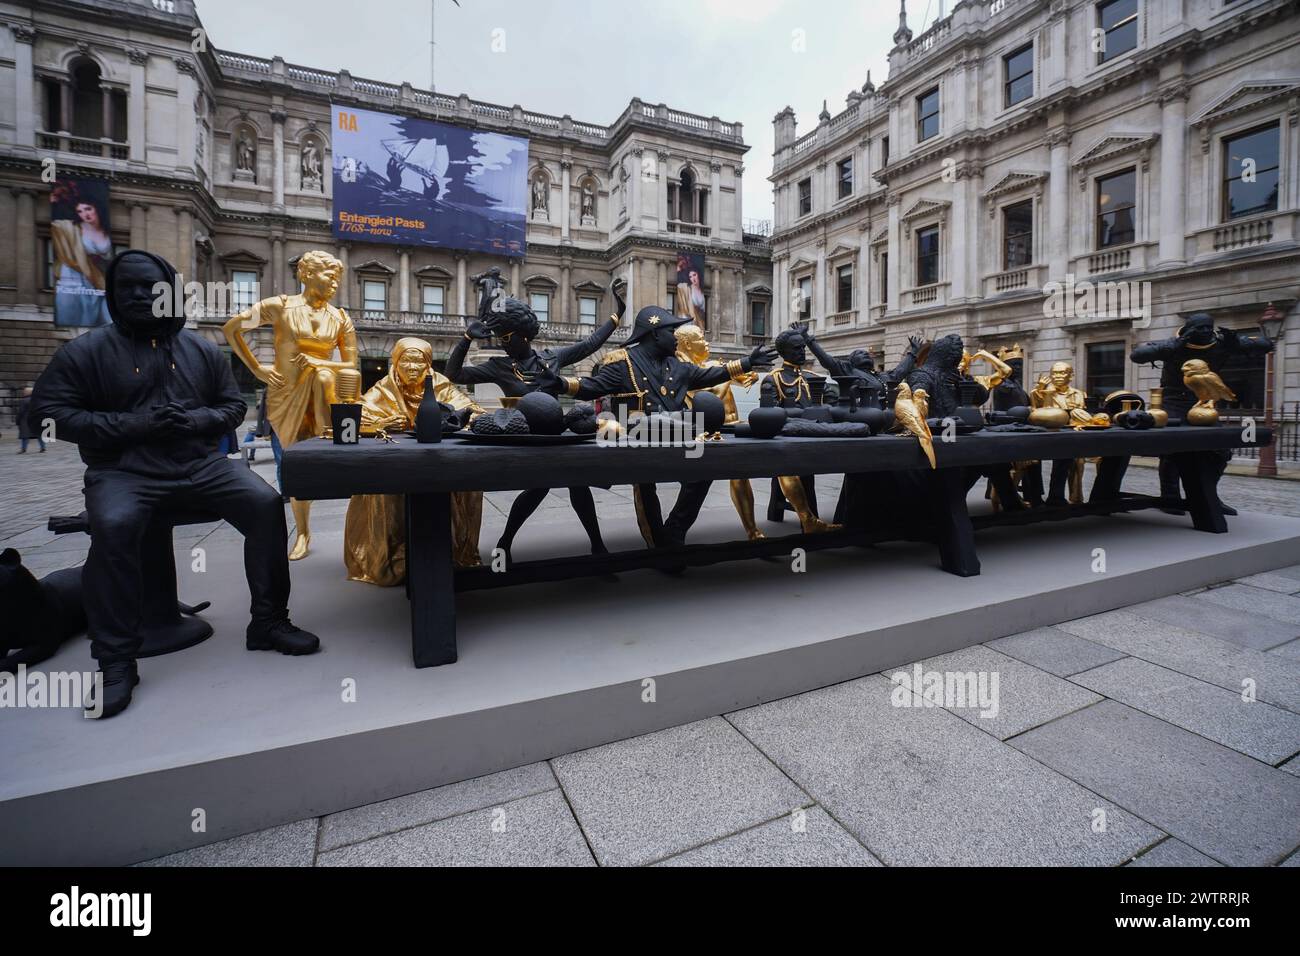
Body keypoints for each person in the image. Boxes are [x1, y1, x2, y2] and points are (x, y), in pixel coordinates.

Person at [29, 250, 320, 720]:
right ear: (114, 295)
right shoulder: (85, 352)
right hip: (124, 470)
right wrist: (132, 425)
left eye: (153, 287)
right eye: (130, 288)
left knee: (265, 502)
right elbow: (45, 415)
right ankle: (116, 659)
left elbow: (231, 408)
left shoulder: (201, 349)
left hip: (199, 464)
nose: (142, 296)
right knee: (114, 524)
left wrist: (196, 419)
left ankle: (268, 622)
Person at [531, 306, 777, 547]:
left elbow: (711, 375)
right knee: (645, 482)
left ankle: (675, 532)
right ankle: (657, 544)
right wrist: (561, 384)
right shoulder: (622, 362)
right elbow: (592, 386)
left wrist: (747, 362)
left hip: (678, 438)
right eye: (672, 332)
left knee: (706, 469)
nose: (676, 338)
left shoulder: (677, 365)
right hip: (640, 442)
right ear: (655, 333)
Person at [444, 272, 622, 563]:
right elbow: (454, 375)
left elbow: (590, 344)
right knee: (540, 489)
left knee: (577, 485)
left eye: (505, 337)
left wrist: (617, 314)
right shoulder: (499, 367)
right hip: (524, 438)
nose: (501, 343)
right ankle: (508, 540)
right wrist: (465, 339)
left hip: (555, 436)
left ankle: (596, 545)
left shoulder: (552, 358)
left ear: (523, 335)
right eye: (499, 337)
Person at [223, 250, 359, 560]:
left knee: (326, 377)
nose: (336, 282)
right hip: (285, 394)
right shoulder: (279, 307)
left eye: (339, 277)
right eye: (330, 275)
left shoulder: (340, 317)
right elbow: (232, 328)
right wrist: (258, 369)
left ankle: (355, 528)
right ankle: (303, 533)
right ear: (307, 274)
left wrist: (316, 362)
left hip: (324, 395)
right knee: (295, 468)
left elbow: (351, 363)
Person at [344, 337, 485, 582]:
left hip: (437, 461)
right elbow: (352, 420)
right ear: (395, 364)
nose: (411, 368)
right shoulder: (384, 388)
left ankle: (452, 550)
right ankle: (394, 555)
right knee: (387, 485)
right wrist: (381, 424)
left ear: (428, 366)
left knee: (470, 479)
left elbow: (472, 411)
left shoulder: (440, 385)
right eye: (405, 361)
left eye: (418, 362)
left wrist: (453, 420)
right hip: (395, 462)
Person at [1131, 312, 1275, 514]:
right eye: (1200, 328)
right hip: (1174, 400)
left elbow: (1267, 345)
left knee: (1220, 451)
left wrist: (1236, 342)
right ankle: (1170, 497)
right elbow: (1137, 355)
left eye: (1209, 327)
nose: (1206, 331)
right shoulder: (1175, 344)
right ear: (1189, 329)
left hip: (1202, 401)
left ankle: (1207, 495)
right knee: (1172, 449)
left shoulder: (1220, 343)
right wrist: (1174, 345)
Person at [760, 324, 841, 534]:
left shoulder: (813, 377)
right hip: (791, 441)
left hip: (820, 437)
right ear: (784, 352)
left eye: (803, 347)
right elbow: (769, 413)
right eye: (796, 348)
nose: (802, 351)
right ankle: (811, 520)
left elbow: (833, 403)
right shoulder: (774, 378)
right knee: (803, 466)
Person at [50, 185, 112, 328]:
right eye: (80, 211)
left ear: (96, 208)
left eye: (88, 209)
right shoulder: (71, 228)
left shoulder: (107, 230)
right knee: (73, 313)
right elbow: (55, 226)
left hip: (98, 280)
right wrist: (53, 200)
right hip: (73, 278)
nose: (85, 214)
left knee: (101, 319)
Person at [16, 387, 43, 453]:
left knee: (25, 436)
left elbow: (21, 412)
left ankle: (23, 449)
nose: (23, 392)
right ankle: (43, 448)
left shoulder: (24, 400)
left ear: (27, 392)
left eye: (24, 391)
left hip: (25, 420)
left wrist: (18, 420)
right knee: (39, 435)